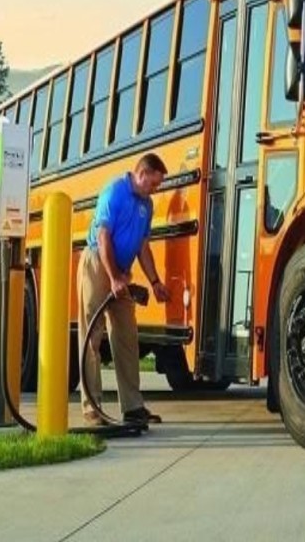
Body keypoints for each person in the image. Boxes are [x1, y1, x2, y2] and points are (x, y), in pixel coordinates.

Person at [78, 152, 171, 426]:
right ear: (141, 174)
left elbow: (143, 246)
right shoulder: (114, 192)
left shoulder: (147, 205)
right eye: (153, 184)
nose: (155, 190)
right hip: (98, 264)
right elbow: (103, 236)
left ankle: (132, 407)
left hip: (122, 270)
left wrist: (155, 282)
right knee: (91, 339)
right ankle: (92, 408)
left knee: (127, 337)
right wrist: (114, 277)